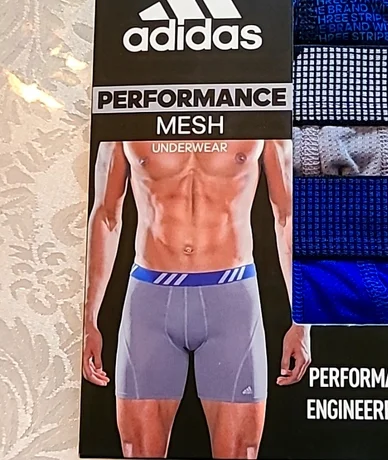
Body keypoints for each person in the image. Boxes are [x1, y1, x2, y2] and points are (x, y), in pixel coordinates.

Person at [82, 139, 311, 459]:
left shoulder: (260, 115)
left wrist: (302, 318)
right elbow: (107, 216)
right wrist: (88, 319)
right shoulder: (128, 118)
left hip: (231, 299)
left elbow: (287, 216)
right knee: (137, 452)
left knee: (240, 453)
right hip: (151, 299)